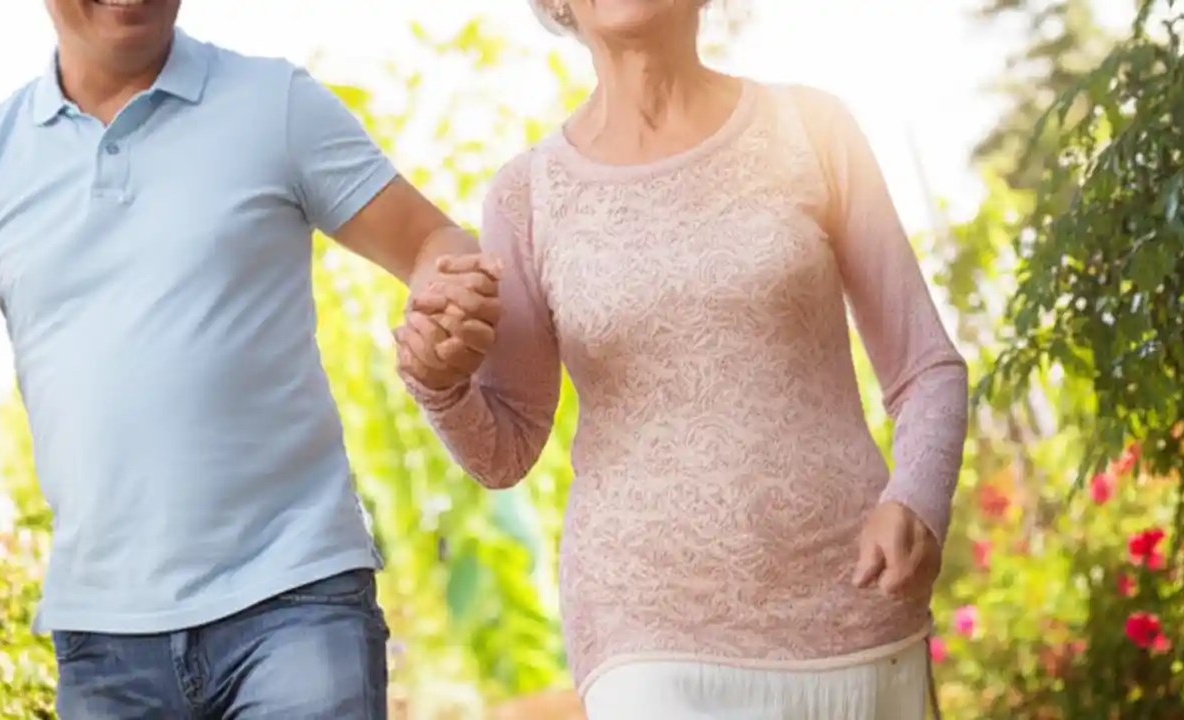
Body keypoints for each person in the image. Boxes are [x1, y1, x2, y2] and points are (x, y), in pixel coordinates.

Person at [0, 1, 501, 718]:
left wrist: (452, 293)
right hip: (104, 641)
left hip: (296, 603)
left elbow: (433, 242)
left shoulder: (273, 104)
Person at [394, 0, 969, 717]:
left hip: (850, 605)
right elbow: (504, 450)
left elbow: (927, 369)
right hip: (645, 629)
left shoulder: (813, 128)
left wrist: (916, 498)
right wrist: (440, 384)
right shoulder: (528, 194)